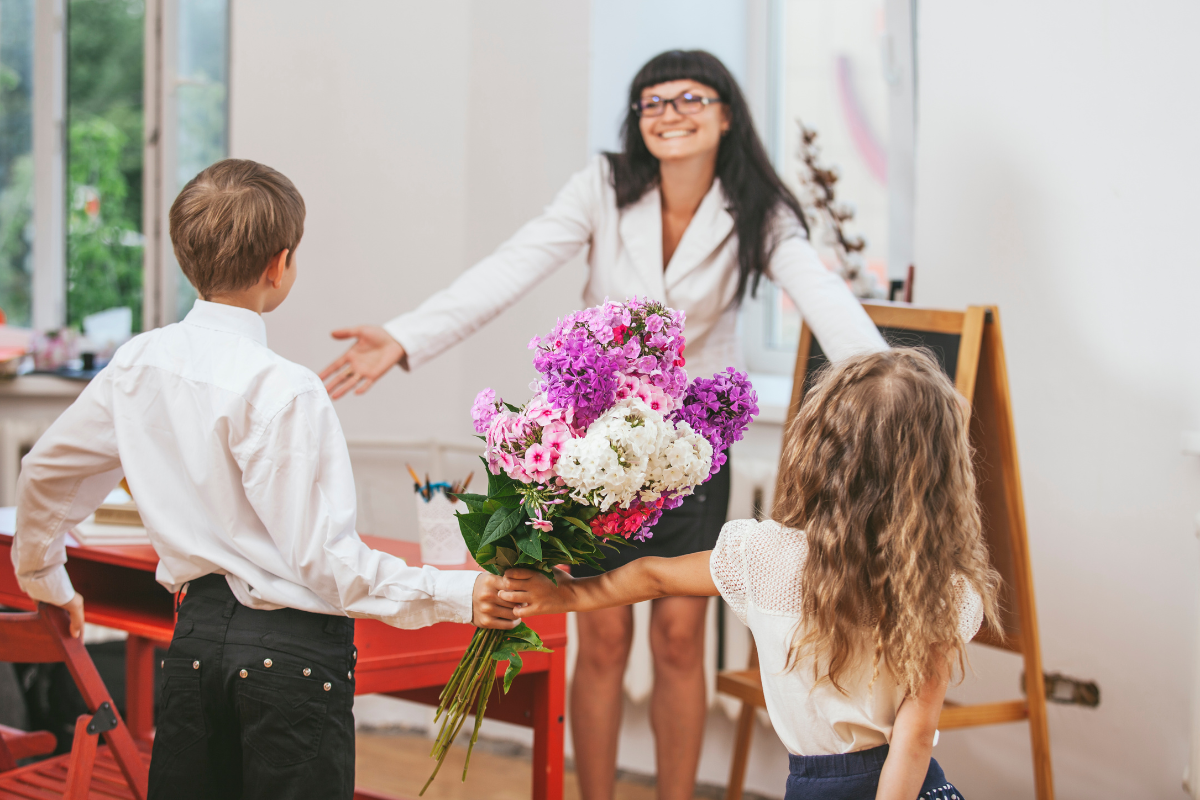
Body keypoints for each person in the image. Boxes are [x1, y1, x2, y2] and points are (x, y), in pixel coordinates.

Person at [319, 50, 887, 799]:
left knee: (681, 639)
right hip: (598, 448)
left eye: (690, 98)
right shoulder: (603, 187)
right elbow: (510, 266)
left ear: (724, 114)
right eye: (652, 102)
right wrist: (405, 337)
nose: (669, 113)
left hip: (693, 447)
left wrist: (891, 382)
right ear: (636, 119)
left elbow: (823, 296)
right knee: (603, 632)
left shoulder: (760, 209)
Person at [10, 159, 518, 800]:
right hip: (293, 661)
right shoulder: (285, 388)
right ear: (280, 266)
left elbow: (45, 474)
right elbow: (325, 564)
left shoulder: (138, 361)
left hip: (192, 645)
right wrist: (459, 594)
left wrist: (46, 577)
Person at [500, 349, 1002, 800]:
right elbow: (913, 740)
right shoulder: (946, 591)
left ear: (817, 450)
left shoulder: (764, 556)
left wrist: (565, 598)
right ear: (942, 475)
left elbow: (653, 576)